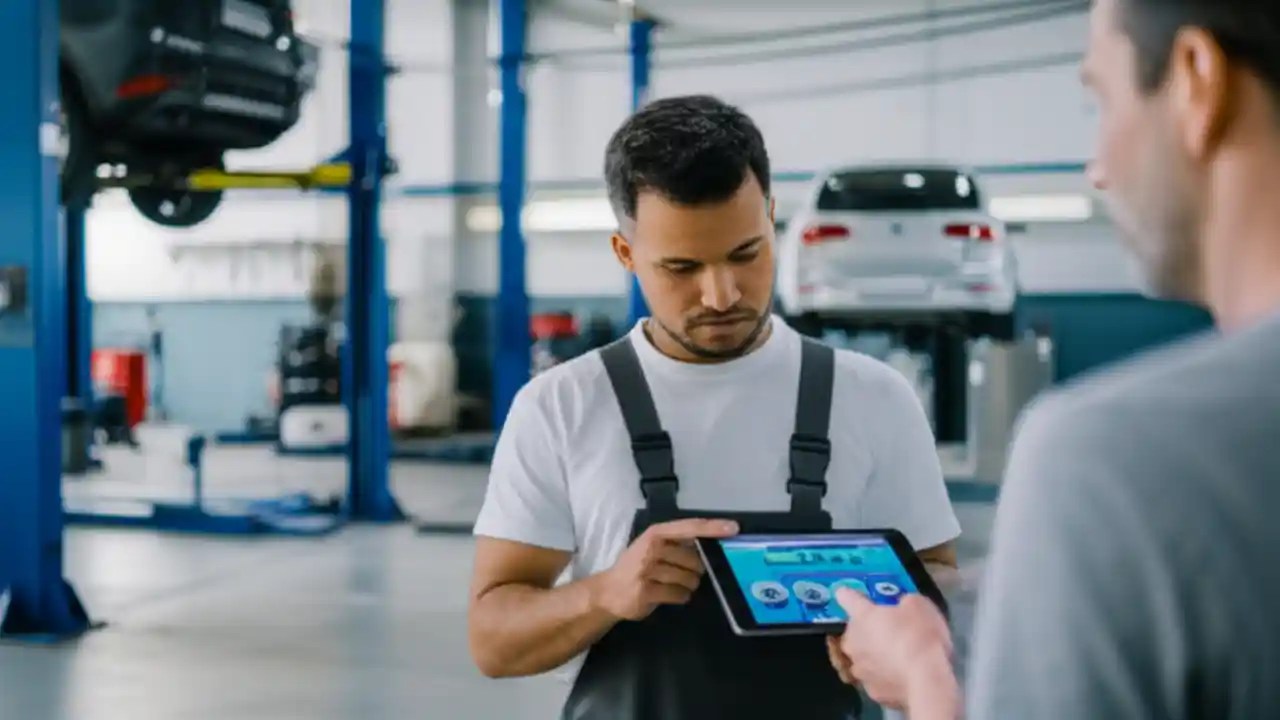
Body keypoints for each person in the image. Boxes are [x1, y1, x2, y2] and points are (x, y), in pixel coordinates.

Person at [830, 0, 1280, 717]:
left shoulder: (1107, 458)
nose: (1098, 169)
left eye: (1101, 99)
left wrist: (920, 676)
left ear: (1197, 81)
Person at [467, 94, 962, 719]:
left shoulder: (872, 397)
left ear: (772, 219)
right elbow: (492, 641)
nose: (722, 293)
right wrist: (604, 594)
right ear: (626, 255)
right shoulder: (560, 406)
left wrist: (896, 629)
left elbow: (938, 577)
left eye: (745, 254)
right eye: (682, 267)